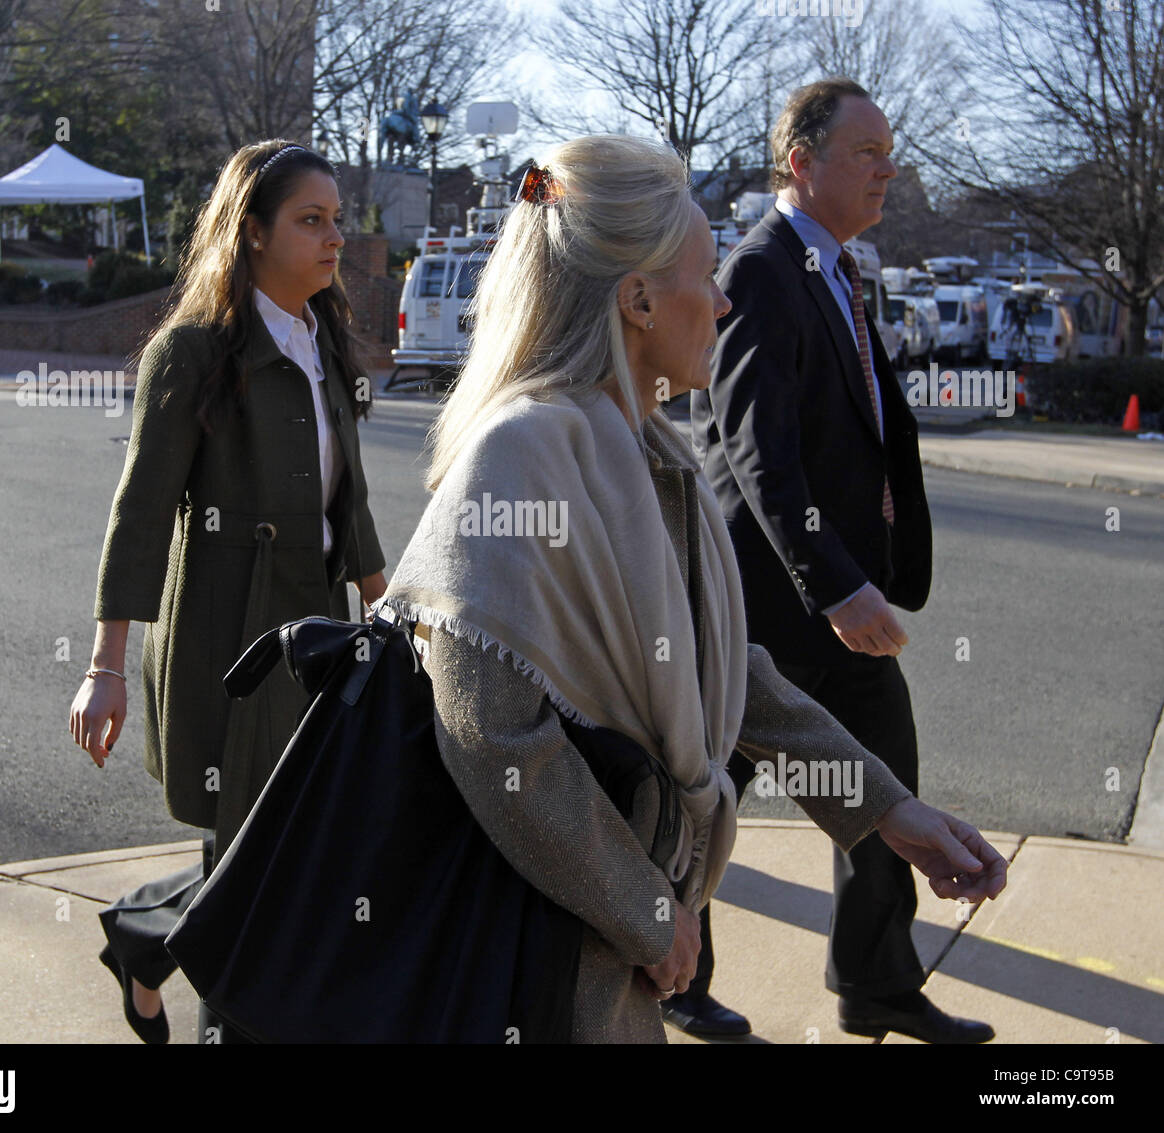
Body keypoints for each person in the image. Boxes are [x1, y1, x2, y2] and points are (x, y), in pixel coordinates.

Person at [377, 134, 1006, 1043]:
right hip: (536, 952)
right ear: (636, 300)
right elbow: (489, 727)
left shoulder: (646, 447)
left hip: (603, 943)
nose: (721, 299)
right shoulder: (523, 448)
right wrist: (643, 908)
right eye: (706, 275)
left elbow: (717, 667)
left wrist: (885, 810)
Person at [686, 78, 994, 1044]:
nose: (887, 171)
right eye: (867, 154)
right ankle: (673, 976)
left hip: (843, 607)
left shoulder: (839, 271)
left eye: (888, 154)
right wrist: (839, 584)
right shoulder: (758, 270)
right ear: (800, 162)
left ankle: (877, 983)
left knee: (882, 795)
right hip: (765, 612)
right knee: (700, 811)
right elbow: (753, 448)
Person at [68, 139, 386, 1043]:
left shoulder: (325, 340)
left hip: (318, 643)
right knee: (255, 867)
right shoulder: (193, 352)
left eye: (337, 219)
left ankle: (143, 935)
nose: (335, 239)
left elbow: (348, 504)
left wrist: (391, 608)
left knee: (283, 858)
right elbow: (138, 516)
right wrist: (105, 666)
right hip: (228, 645)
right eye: (311, 221)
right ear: (251, 232)